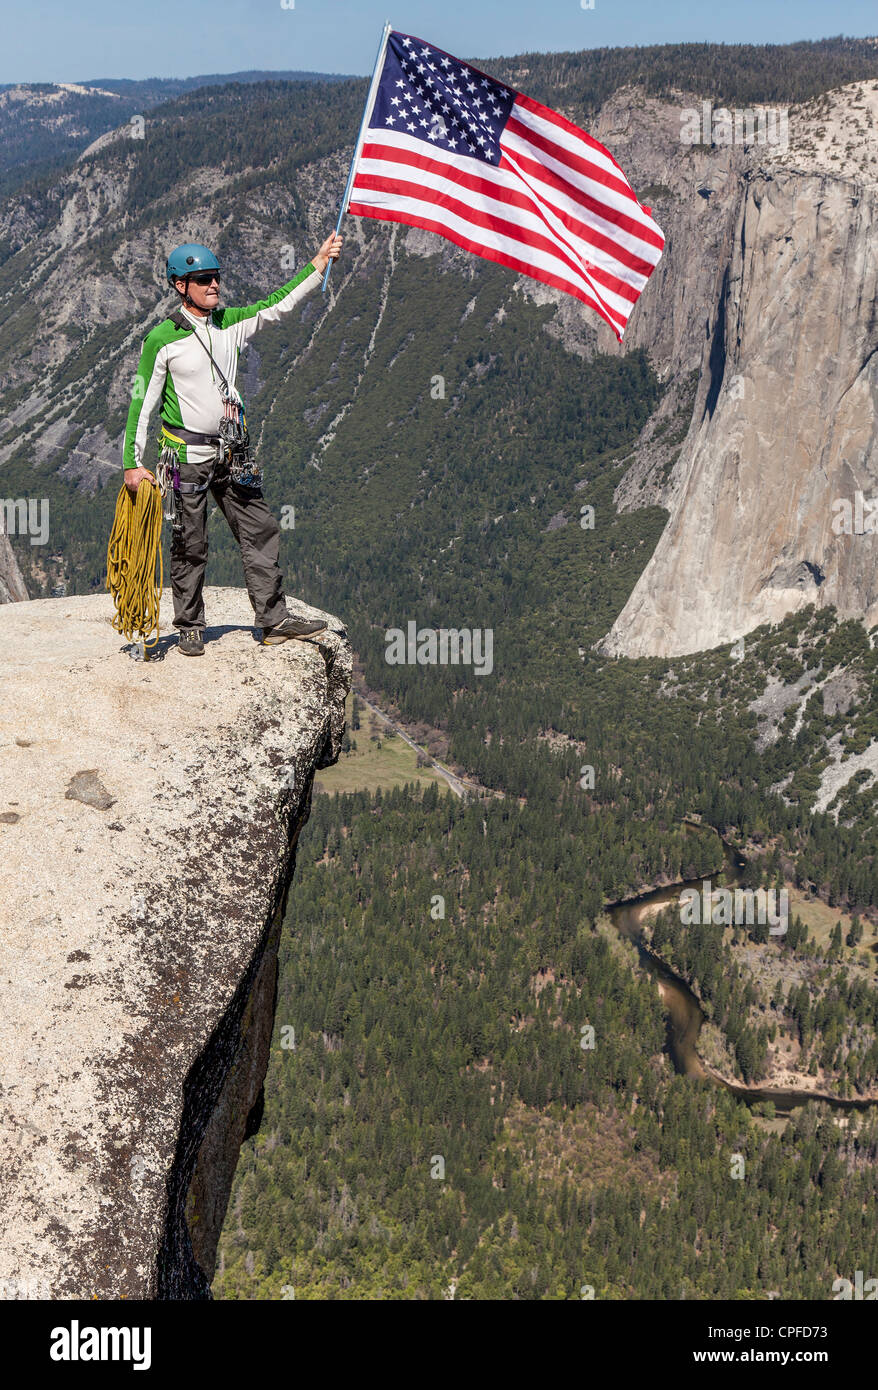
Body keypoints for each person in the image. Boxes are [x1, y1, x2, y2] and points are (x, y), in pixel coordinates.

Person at [121, 232, 343, 655]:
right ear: (180, 286)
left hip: (230, 454)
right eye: (203, 279)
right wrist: (132, 464)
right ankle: (189, 624)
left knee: (260, 529)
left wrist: (317, 264)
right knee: (191, 542)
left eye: (216, 278)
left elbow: (278, 304)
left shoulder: (230, 323)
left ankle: (274, 620)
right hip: (185, 459)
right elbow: (140, 405)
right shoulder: (161, 340)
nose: (214, 286)